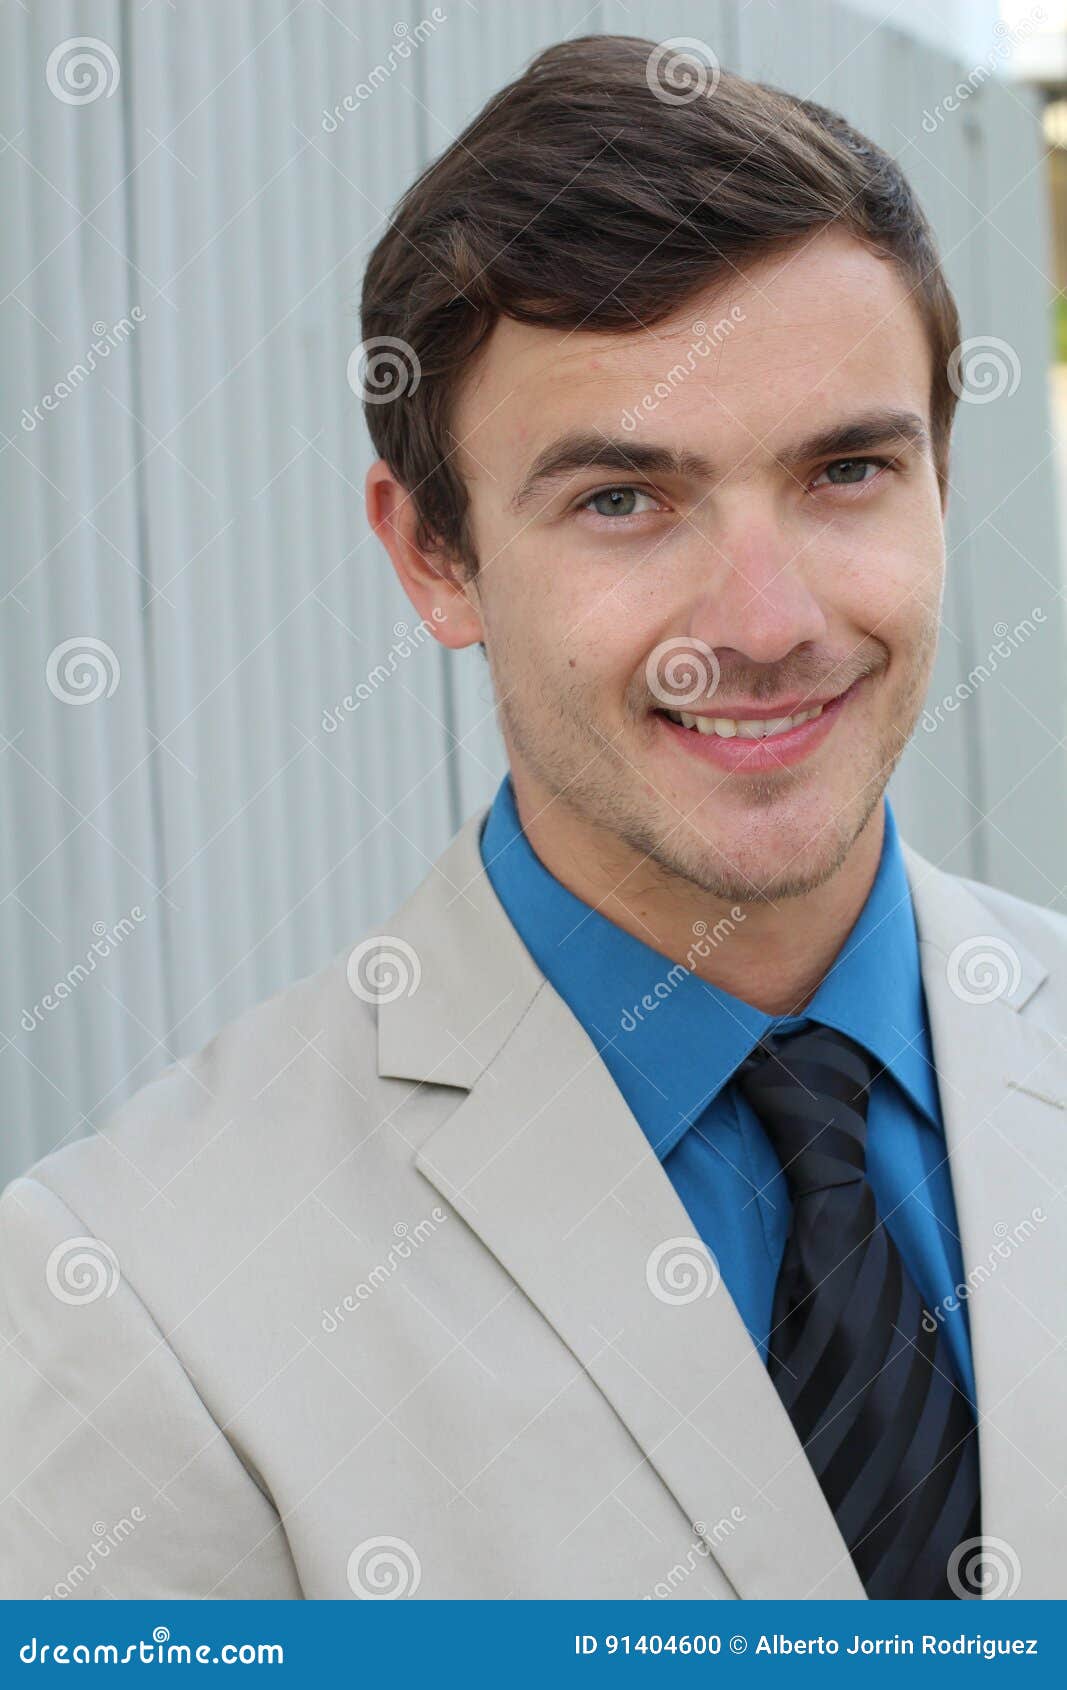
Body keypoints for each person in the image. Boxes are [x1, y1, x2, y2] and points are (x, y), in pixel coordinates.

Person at [2, 35, 1064, 1602]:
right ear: (433, 553)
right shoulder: (142, 1288)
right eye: (623, 498)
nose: (764, 622)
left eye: (846, 468)